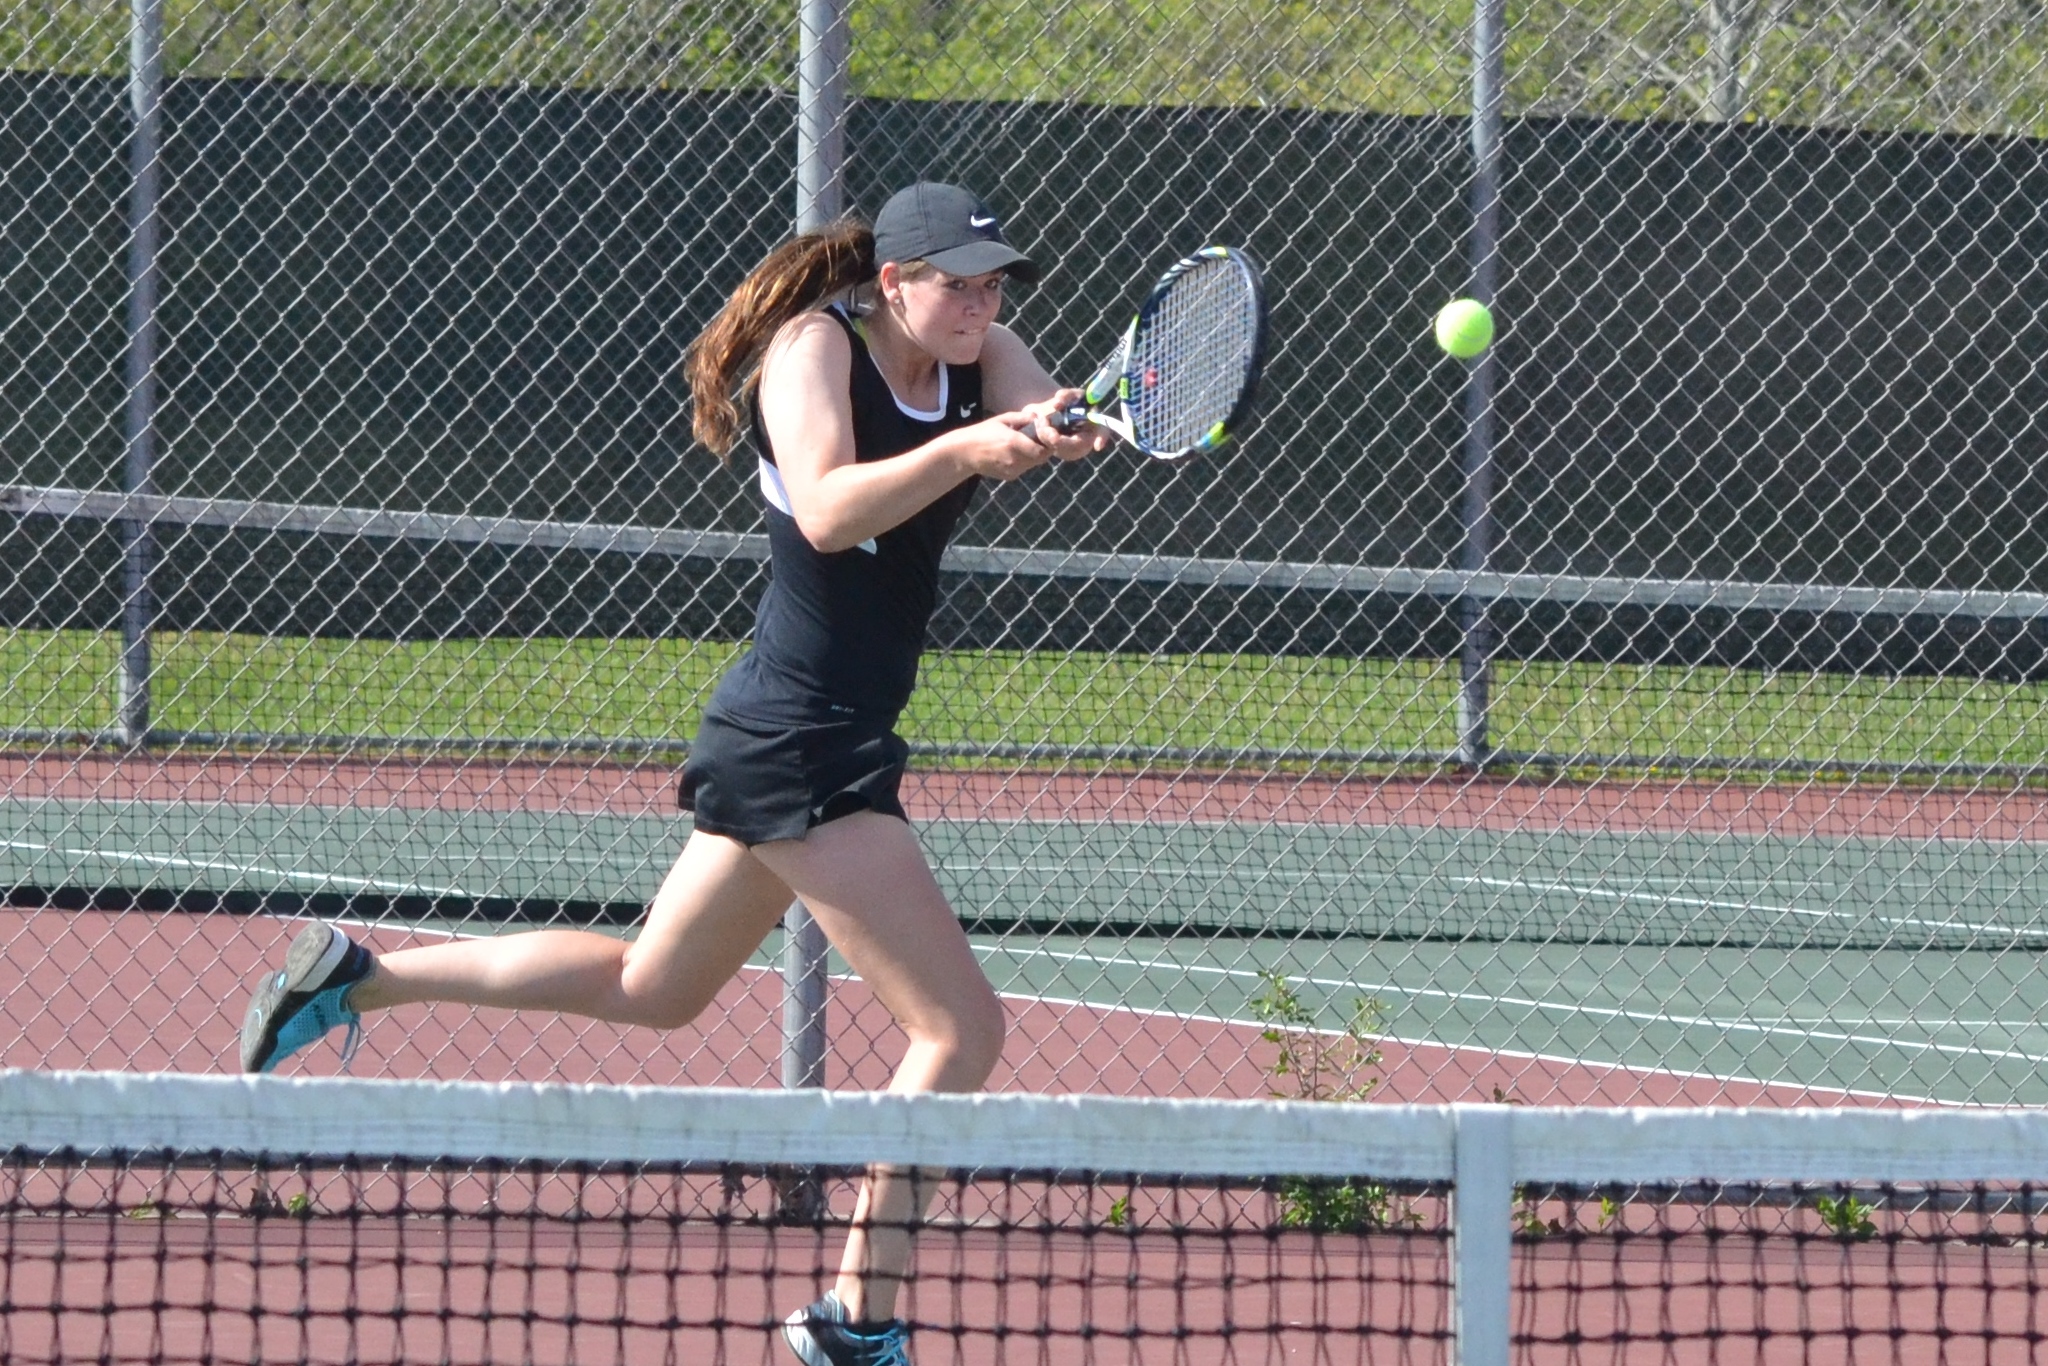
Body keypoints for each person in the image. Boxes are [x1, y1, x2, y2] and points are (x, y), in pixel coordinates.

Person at [236, 181, 1104, 1366]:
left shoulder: (977, 347)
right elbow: (827, 510)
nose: (980, 305)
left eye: (992, 285)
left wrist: (1064, 424)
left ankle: (357, 976)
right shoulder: (812, 350)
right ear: (893, 282)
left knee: (650, 985)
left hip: (818, 728)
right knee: (959, 1030)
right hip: (802, 739)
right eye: (956, 283)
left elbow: (1032, 406)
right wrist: (967, 448)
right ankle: (855, 1323)